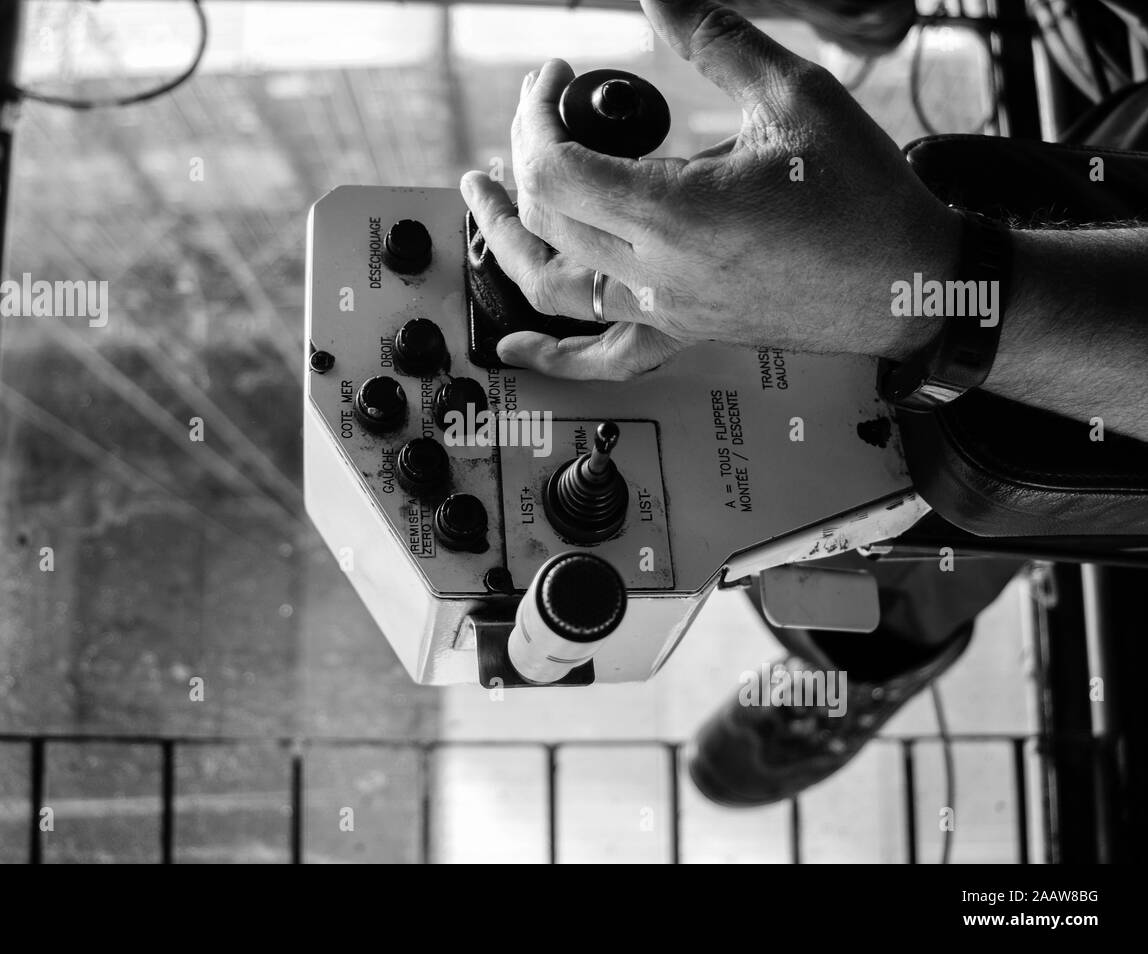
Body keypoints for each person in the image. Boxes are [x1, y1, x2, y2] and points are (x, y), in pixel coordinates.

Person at [458, 0, 1148, 805]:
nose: (776, 717)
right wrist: (918, 291)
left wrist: (921, 292)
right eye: (784, 730)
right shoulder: (792, 581)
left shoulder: (785, 580)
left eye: (761, 724)